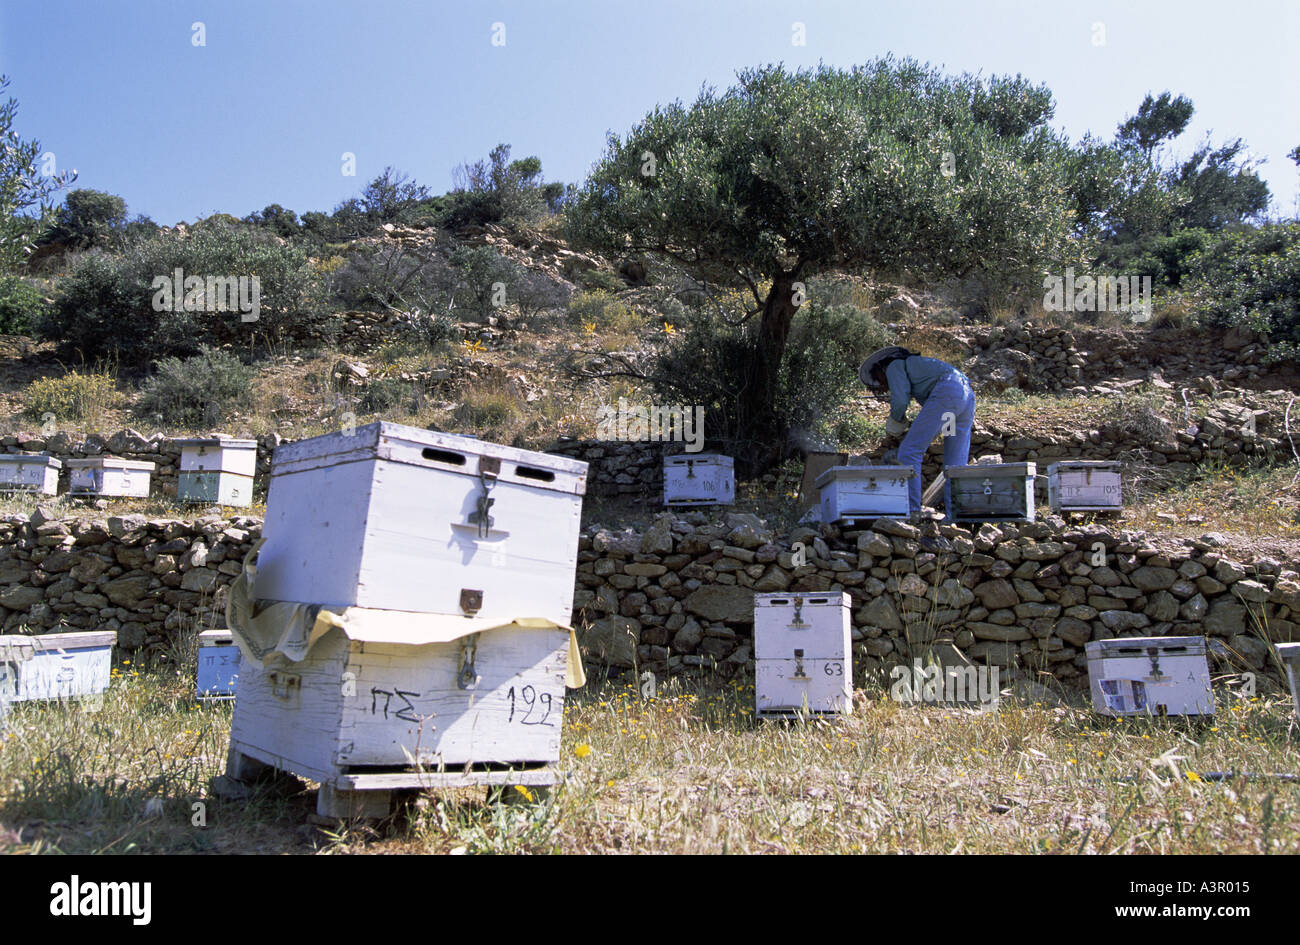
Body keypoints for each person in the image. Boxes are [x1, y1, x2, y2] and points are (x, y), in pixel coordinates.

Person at [859, 346, 975, 518]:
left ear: (881, 368)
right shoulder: (919, 369)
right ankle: (956, 516)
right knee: (955, 462)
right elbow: (937, 413)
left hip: (948, 394)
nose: (883, 385)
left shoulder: (894, 366)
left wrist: (895, 421)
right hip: (964, 398)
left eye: (879, 379)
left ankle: (912, 511)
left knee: (909, 451)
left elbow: (900, 400)